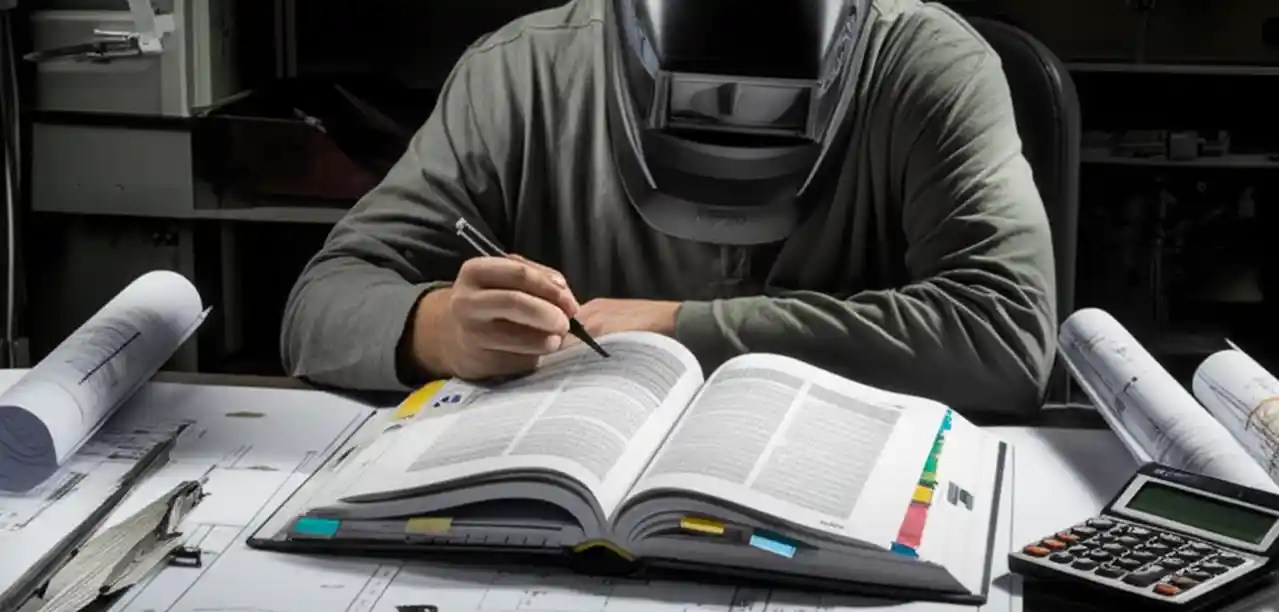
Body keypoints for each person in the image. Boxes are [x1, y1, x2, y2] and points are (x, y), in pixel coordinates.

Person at [280, 0, 1057, 415]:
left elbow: (1005, 339)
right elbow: (324, 302)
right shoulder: (519, 74)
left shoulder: (931, 72)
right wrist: (441, 328)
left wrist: (673, 327)